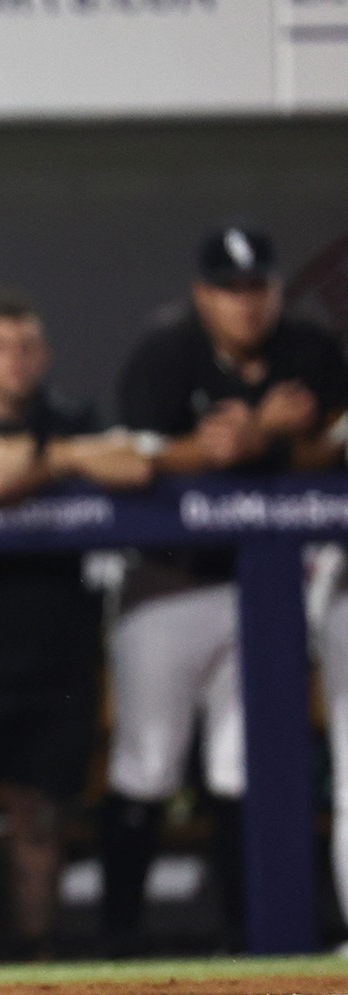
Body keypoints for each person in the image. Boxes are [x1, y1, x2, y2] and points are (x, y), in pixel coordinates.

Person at [107, 224, 348, 954]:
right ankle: (114, 942)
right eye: (230, 290)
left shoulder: (308, 350)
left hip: (262, 590)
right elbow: (133, 457)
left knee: (243, 763)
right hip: (168, 582)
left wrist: (261, 442)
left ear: (276, 289)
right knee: (147, 765)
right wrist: (226, 446)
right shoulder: (167, 351)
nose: (247, 305)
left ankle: (251, 940)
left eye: (258, 289)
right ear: (202, 294)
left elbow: (329, 448)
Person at [0, 291, 150, 962]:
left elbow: (135, 464)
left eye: (26, 347)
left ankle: (38, 978)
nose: (14, 361)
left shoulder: (70, 417)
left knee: (39, 827)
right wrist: (66, 460)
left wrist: (46, 457)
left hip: (57, 662)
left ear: (42, 356)